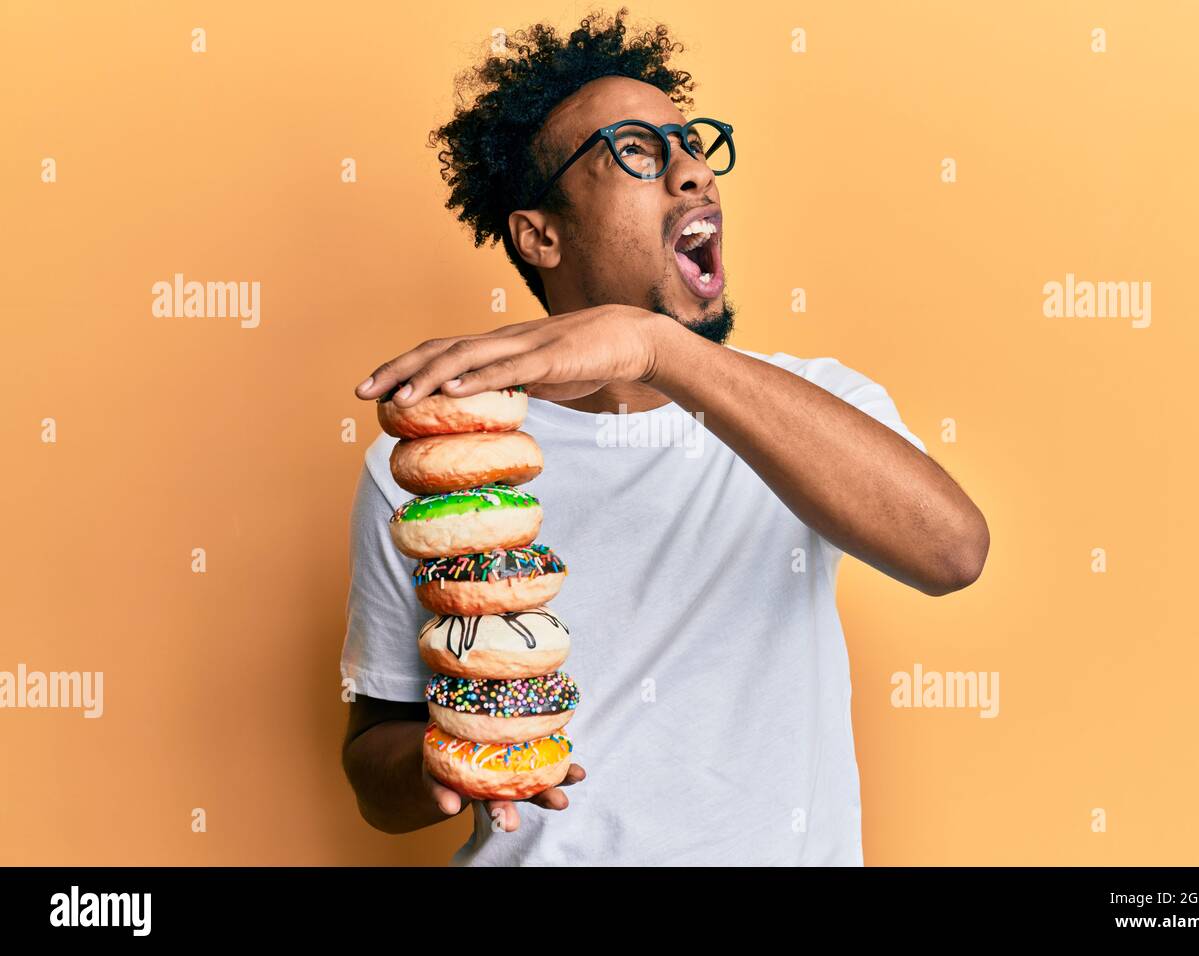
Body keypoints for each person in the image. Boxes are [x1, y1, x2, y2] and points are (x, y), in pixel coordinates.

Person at [340, 7, 989, 865]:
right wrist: (443, 764)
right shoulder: (426, 470)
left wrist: (658, 349)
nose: (692, 173)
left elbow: (953, 552)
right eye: (638, 151)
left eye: (693, 145)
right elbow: (374, 758)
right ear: (541, 235)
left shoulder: (812, 403)